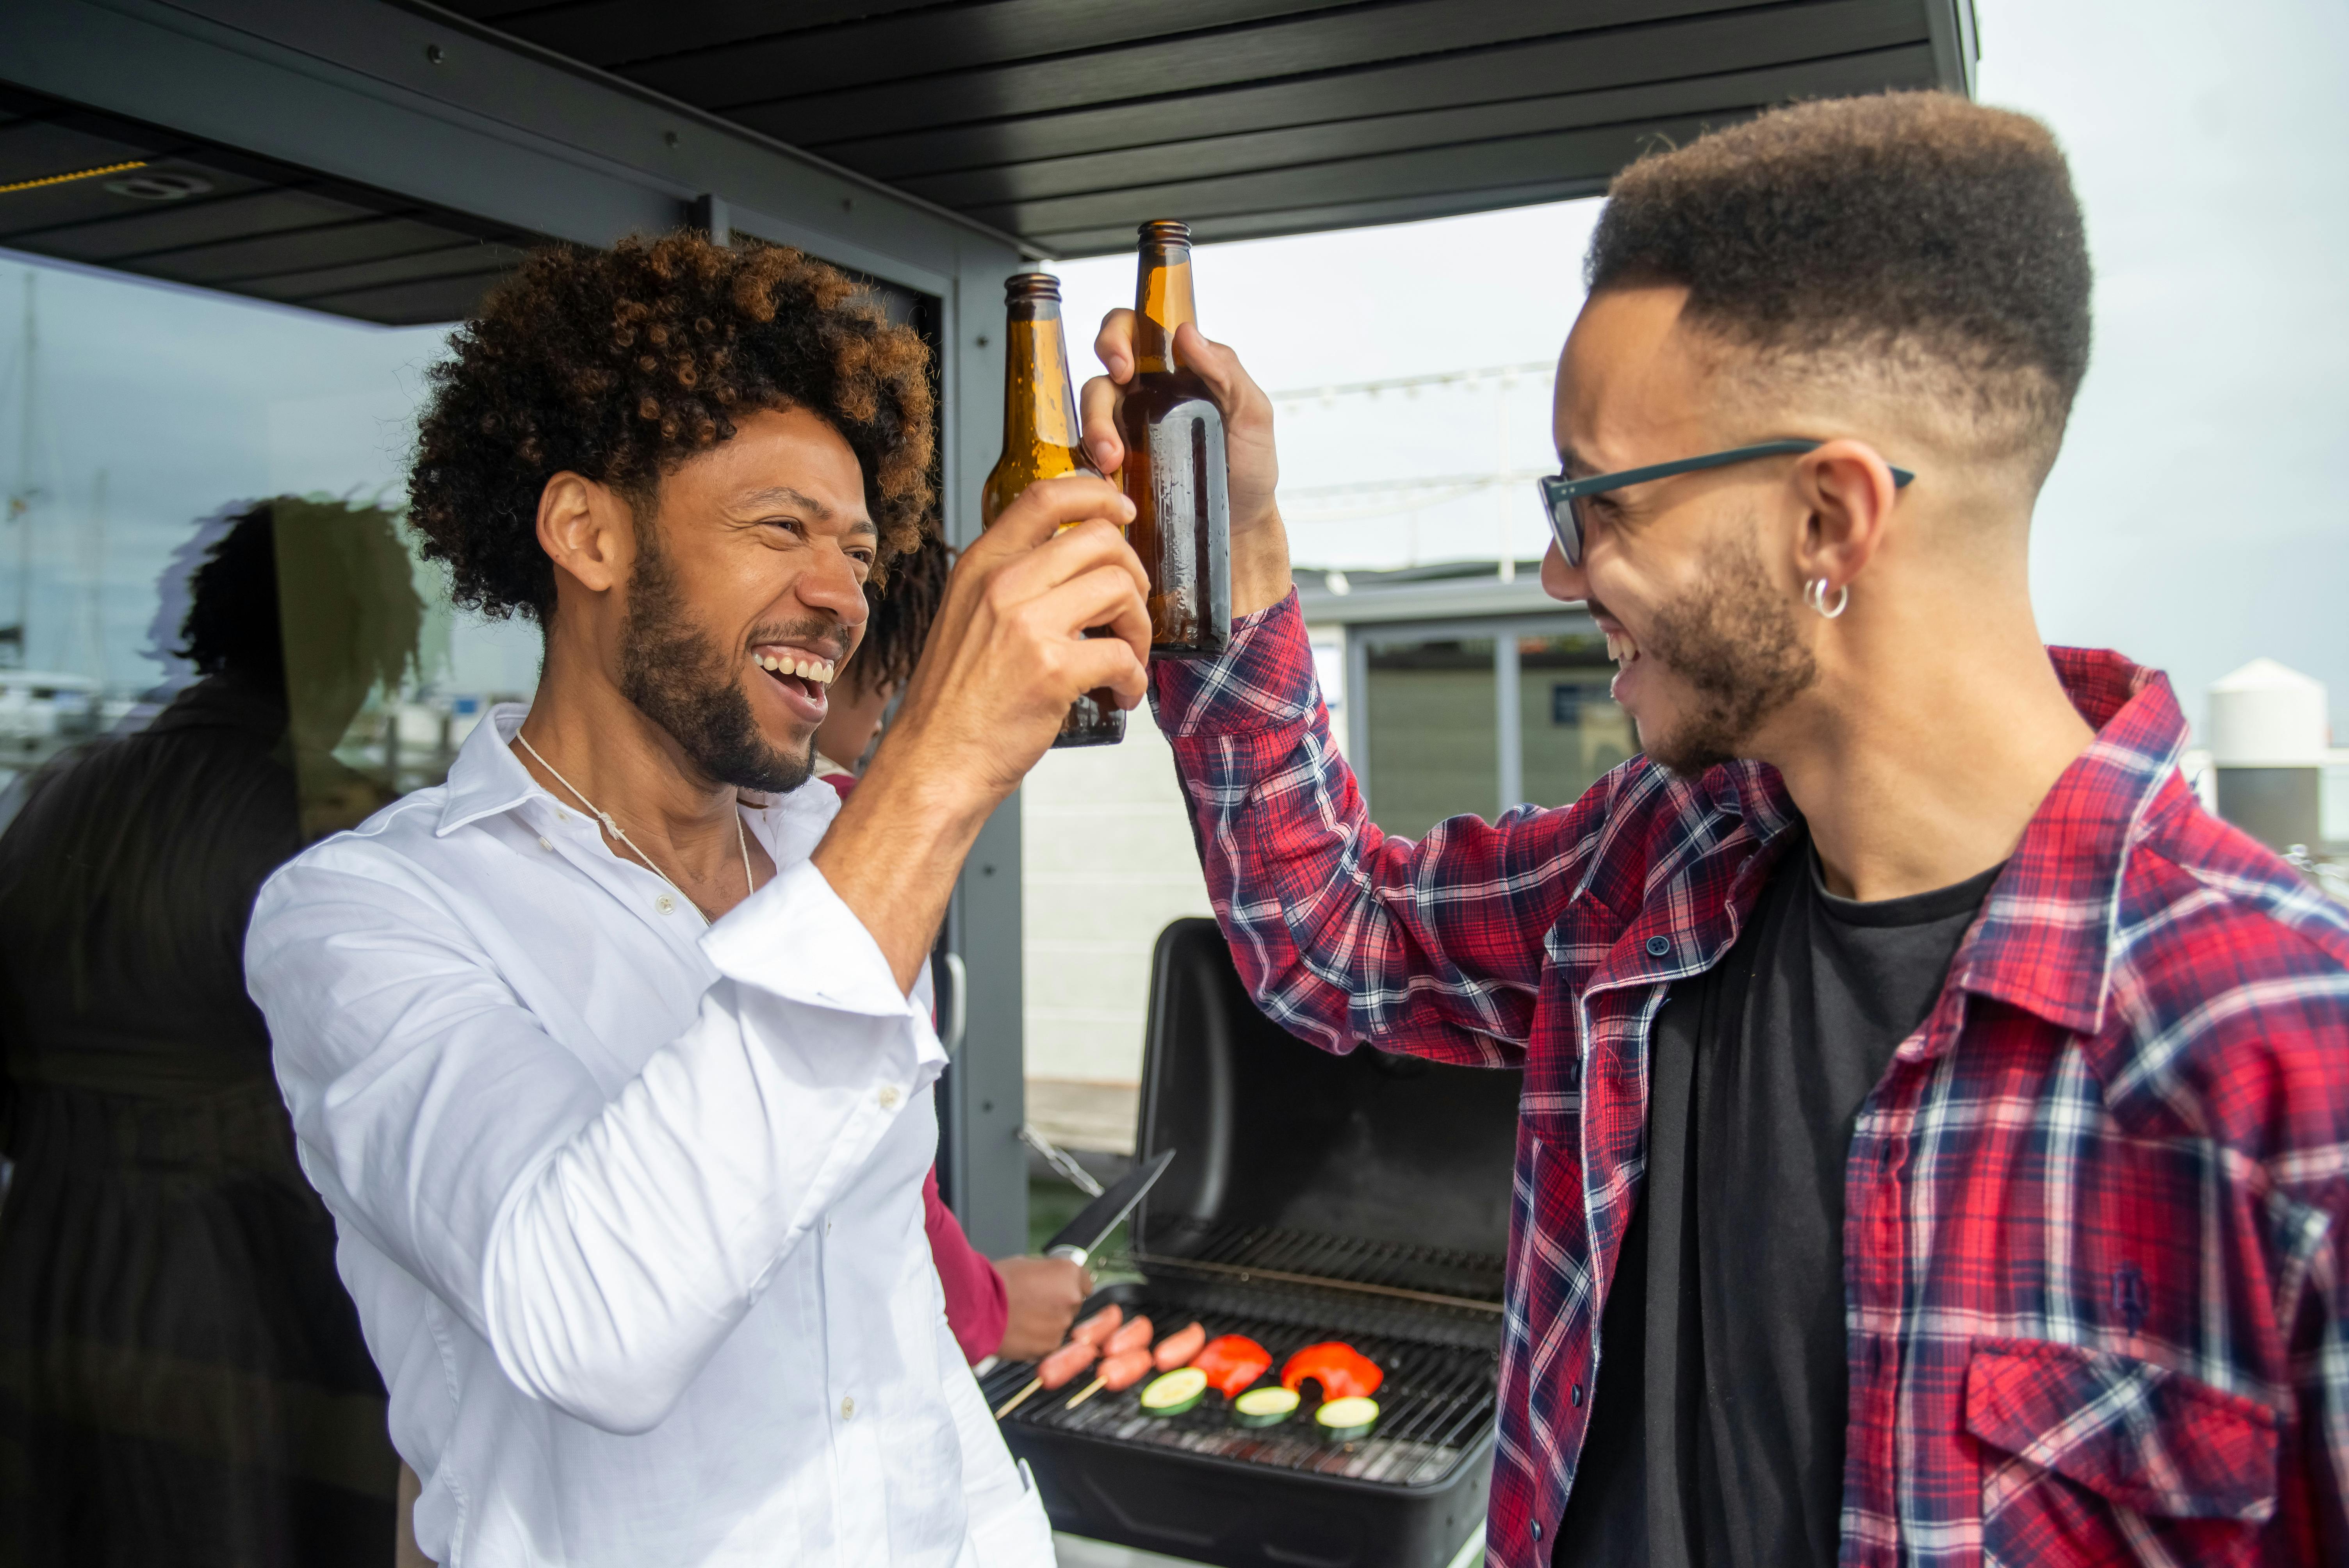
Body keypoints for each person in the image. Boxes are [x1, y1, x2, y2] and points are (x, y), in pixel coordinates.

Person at [1080, 94, 2349, 1567]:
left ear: (1829, 520)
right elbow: (1334, 942)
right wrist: (1232, 566)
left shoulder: (2284, 1057)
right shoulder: (1660, 862)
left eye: (1592, 501)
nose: (1561, 573)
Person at [244, 232, 1148, 1568]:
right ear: (586, 532)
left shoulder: (822, 860)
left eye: (854, 544)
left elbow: (879, 1291)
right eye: (779, 527)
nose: (842, 593)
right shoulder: (365, 913)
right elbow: (592, 1321)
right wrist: (937, 762)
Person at [0, 498, 419, 1566]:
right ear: (356, 644)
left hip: (42, 1262)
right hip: (239, 1292)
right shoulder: (327, 828)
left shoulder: (56, 796)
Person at [814, 535, 1094, 1365]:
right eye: (893, 685)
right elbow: (888, 1178)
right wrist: (988, 1307)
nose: (881, 721)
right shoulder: (838, 828)